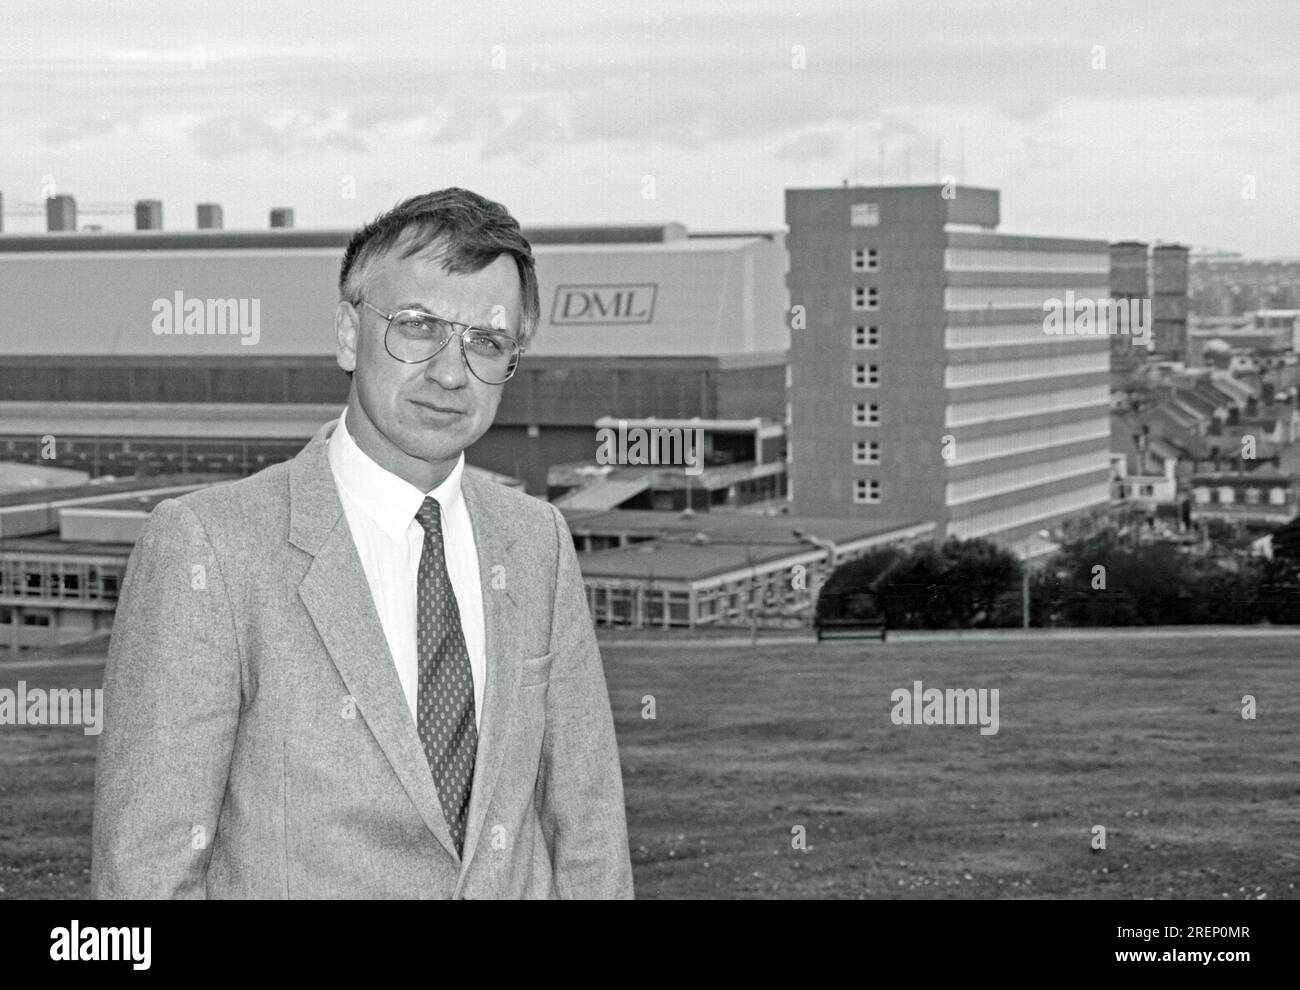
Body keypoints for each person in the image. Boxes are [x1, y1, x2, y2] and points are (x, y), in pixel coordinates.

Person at [91, 188, 634, 899]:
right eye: (417, 327)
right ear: (349, 333)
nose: (450, 372)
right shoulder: (210, 548)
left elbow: (587, 832)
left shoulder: (538, 542)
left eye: (487, 342)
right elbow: (148, 872)